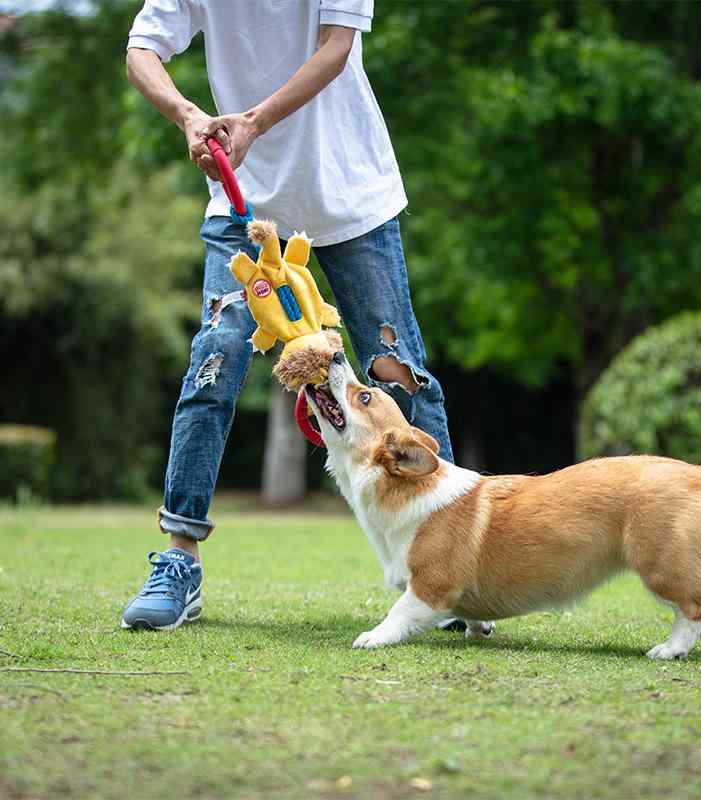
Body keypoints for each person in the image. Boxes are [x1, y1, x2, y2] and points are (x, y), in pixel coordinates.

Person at [121, 0, 454, 630]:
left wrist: (253, 120)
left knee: (397, 370)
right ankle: (179, 560)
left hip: (348, 190)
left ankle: (453, 565)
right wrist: (188, 114)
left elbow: (335, 47)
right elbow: (142, 49)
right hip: (244, 202)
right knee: (214, 355)